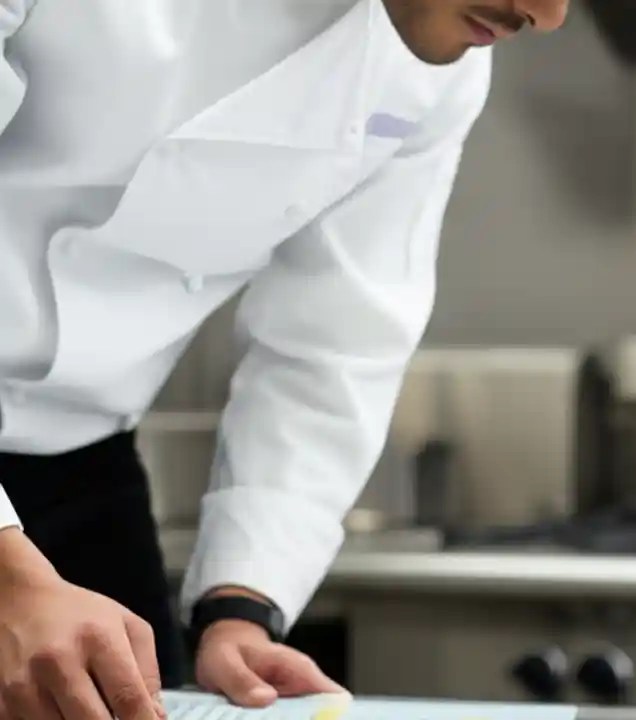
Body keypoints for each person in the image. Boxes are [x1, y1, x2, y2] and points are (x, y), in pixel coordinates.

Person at [0, 0, 567, 718]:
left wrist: (242, 603)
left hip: (83, 468)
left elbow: (333, 344)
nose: (547, 16)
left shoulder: (439, 70)